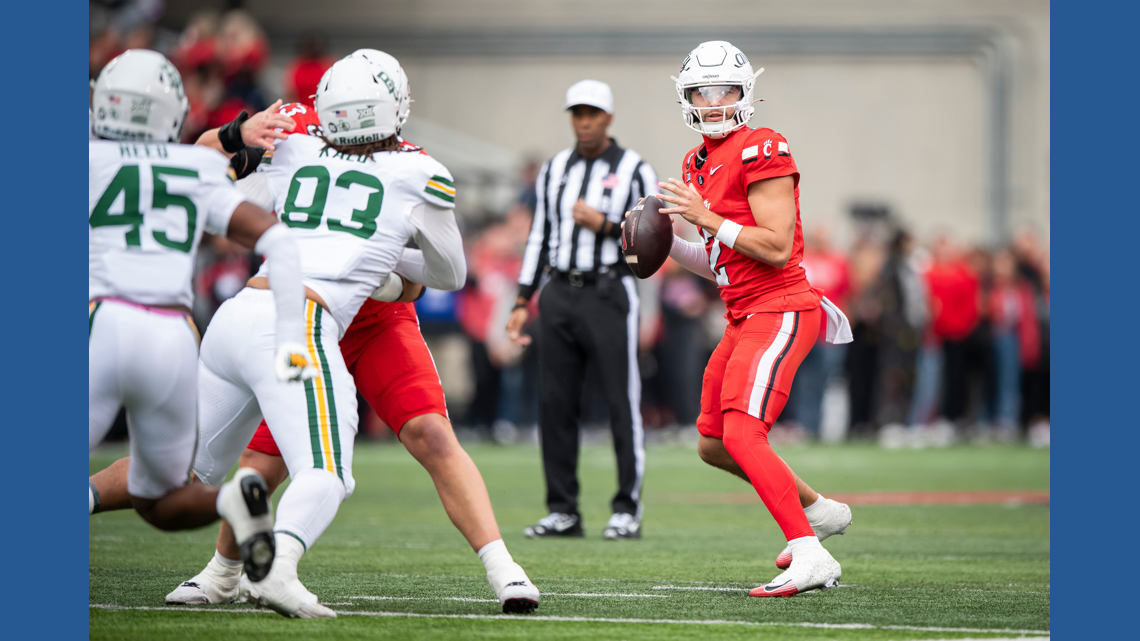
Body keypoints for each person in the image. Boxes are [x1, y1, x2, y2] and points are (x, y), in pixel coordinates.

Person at [160, 49, 539, 615]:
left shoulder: (407, 167)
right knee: (266, 456)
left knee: (431, 433)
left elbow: (437, 274)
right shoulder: (296, 137)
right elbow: (239, 216)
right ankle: (223, 572)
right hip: (300, 311)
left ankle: (503, 567)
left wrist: (388, 272)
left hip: (370, 319)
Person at [89, 49, 314, 583]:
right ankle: (230, 500)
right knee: (162, 500)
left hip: (101, 323)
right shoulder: (194, 168)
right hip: (172, 336)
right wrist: (290, 340)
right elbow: (278, 242)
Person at [650, 41, 853, 596]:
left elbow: (776, 247)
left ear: (746, 94)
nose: (714, 101)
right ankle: (819, 511)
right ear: (687, 97)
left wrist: (705, 217)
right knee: (714, 442)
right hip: (742, 313)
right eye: (702, 91)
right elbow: (721, 260)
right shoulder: (695, 162)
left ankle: (810, 554)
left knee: (743, 431)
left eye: (726, 90)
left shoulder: (762, 146)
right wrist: (666, 245)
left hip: (781, 306)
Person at [506, 79, 658, 540]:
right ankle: (563, 510)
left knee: (620, 401)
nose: (584, 122)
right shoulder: (554, 168)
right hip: (558, 292)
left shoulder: (634, 168)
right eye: (577, 113)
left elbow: (654, 236)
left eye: (592, 113)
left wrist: (605, 225)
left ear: (608, 118)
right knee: (555, 402)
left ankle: (626, 509)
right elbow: (539, 235)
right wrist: (522, 299)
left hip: (608, 291)